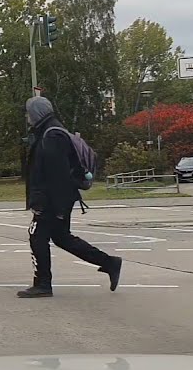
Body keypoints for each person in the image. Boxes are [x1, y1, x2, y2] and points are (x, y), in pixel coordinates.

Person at [20, 96, 122, 298]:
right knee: (61, 238)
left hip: (53, 201)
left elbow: (57, 176)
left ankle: (43, 283)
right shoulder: (48, 132)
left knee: (37, 235)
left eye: (29, 112)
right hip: (57, 199)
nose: (27, 116)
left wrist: (54, 207)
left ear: (37, 113)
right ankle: (109, 263)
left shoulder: (52, 136)